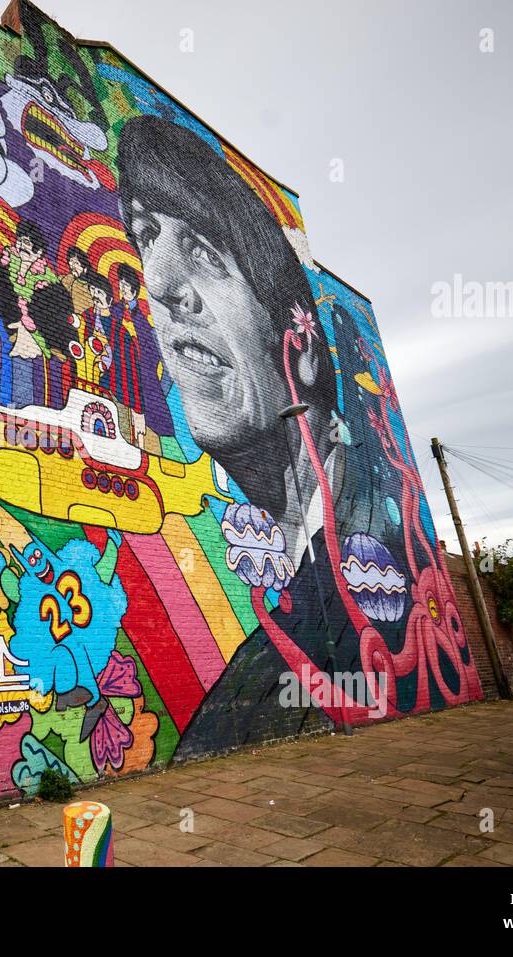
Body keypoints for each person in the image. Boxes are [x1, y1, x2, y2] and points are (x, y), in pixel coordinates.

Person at [115, 114, 353, 752]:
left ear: (302, 348)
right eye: (146, 235)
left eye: (203, 251)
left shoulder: (365, 566)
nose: (158, 283)